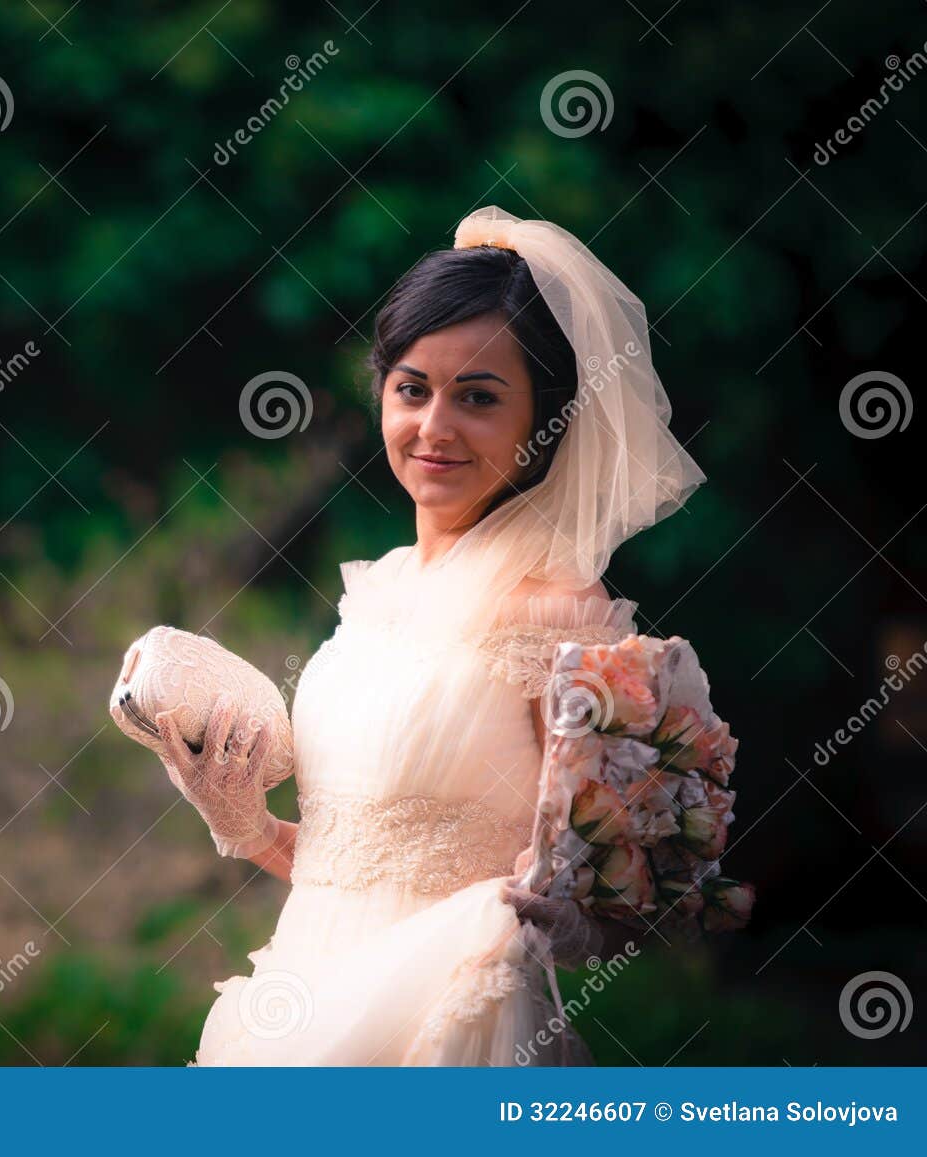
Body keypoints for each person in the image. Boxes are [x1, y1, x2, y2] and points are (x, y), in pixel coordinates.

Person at [149, 205, 705, 1065]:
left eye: (478, 399)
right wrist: (250, 826)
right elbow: (359, 871)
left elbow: (611, 901)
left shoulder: (557, 608)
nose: (434, 427)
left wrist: (573, 916)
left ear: (543, 422)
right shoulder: (378, 590)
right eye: (413, 389)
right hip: (305, 1006)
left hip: (450, 1031)